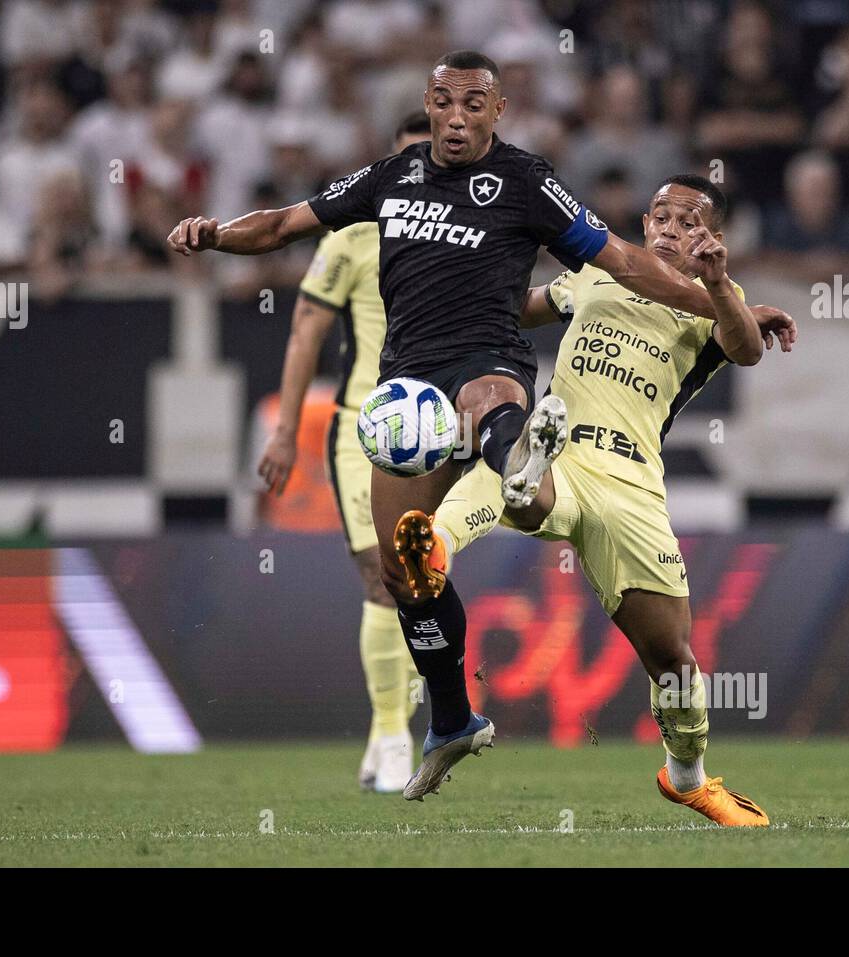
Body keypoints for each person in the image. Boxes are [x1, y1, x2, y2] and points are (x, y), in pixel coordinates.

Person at [168, 51, 792, 801]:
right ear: (428, 105)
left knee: (662, 642)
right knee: (406, 570)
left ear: (498, 111)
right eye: (443, 102)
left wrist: (727, 298)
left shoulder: (528, 181)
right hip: (406, 387)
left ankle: (520, 461)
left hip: (510, 384)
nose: (457, 117)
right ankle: (453, 717)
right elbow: (281, 224)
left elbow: (631, 265)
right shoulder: (389, 179)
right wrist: (213, 235)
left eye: (474, 104)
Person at [410, 175, 796, 825]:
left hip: (629, 479)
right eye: (662, 216)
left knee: (672, 654)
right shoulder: (598, 272)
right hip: (563, 449)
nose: (672, 228)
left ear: (713, 236)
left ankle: (688, 777)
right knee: (515, 471)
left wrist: (722, 284)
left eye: (689, 220)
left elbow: (746, 349)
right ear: (645, 223)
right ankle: (437, 545)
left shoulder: (714, 299)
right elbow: (517, 307)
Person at [256, 112, 432, 793]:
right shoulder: (355, 233)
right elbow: (306, 328)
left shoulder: (475, 234)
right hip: (367, 425)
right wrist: (283, 430)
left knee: (422, 585)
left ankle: (382, 727)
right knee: (383, 578)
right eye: (408, 158)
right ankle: (393, 734)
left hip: (444, 434)